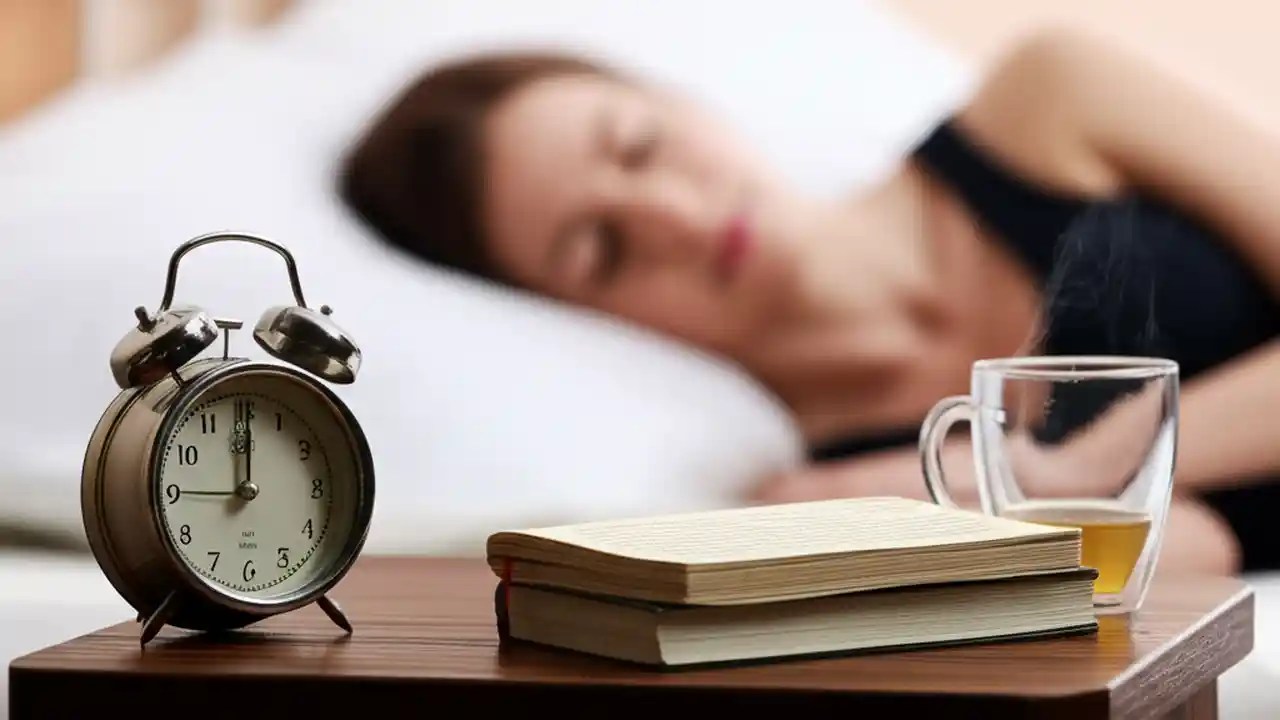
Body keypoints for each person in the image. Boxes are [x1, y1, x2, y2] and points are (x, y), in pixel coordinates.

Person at [337, 28, 1278, 577]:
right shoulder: (841, 487)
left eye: (639, 147)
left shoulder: (1053, 98)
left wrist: (1083, 456)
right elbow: (1204, 558)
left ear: (683, 100)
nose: (674, 216)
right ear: (573, 321)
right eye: (601, 249)